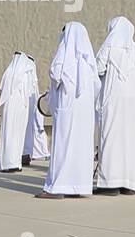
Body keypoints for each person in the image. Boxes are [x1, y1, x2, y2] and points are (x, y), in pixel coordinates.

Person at [37, 22, 100, 199]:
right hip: (85, 112)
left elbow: (56, 73)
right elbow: (97, 86)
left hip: (67, 108)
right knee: (81, 146)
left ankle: (56, 187)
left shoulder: (65, 54)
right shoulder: (89, 62)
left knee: (63, 145)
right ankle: (78, 186)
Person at [94, 16, 135, 196]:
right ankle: (129, 183)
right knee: (130, 140)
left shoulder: (109, 46)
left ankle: (110, 183)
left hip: (114, 98)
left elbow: (98, 69)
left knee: (112, 137)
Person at [0, 52, 40, 172]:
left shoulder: (9, 72)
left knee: (10, 134)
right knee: (17, 135)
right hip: (22, 109)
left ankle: (9, 163)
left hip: (11, 109)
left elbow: (1, 90)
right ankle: (14, 163)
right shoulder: (26, 75)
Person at [22, 93, 50, 166]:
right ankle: (38, 154)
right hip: (35, 128)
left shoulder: (38, 101)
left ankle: (42, 153)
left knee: (39, 140)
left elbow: (39, 116)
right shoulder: (36, 101)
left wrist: (40, 126)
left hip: (36, 128)